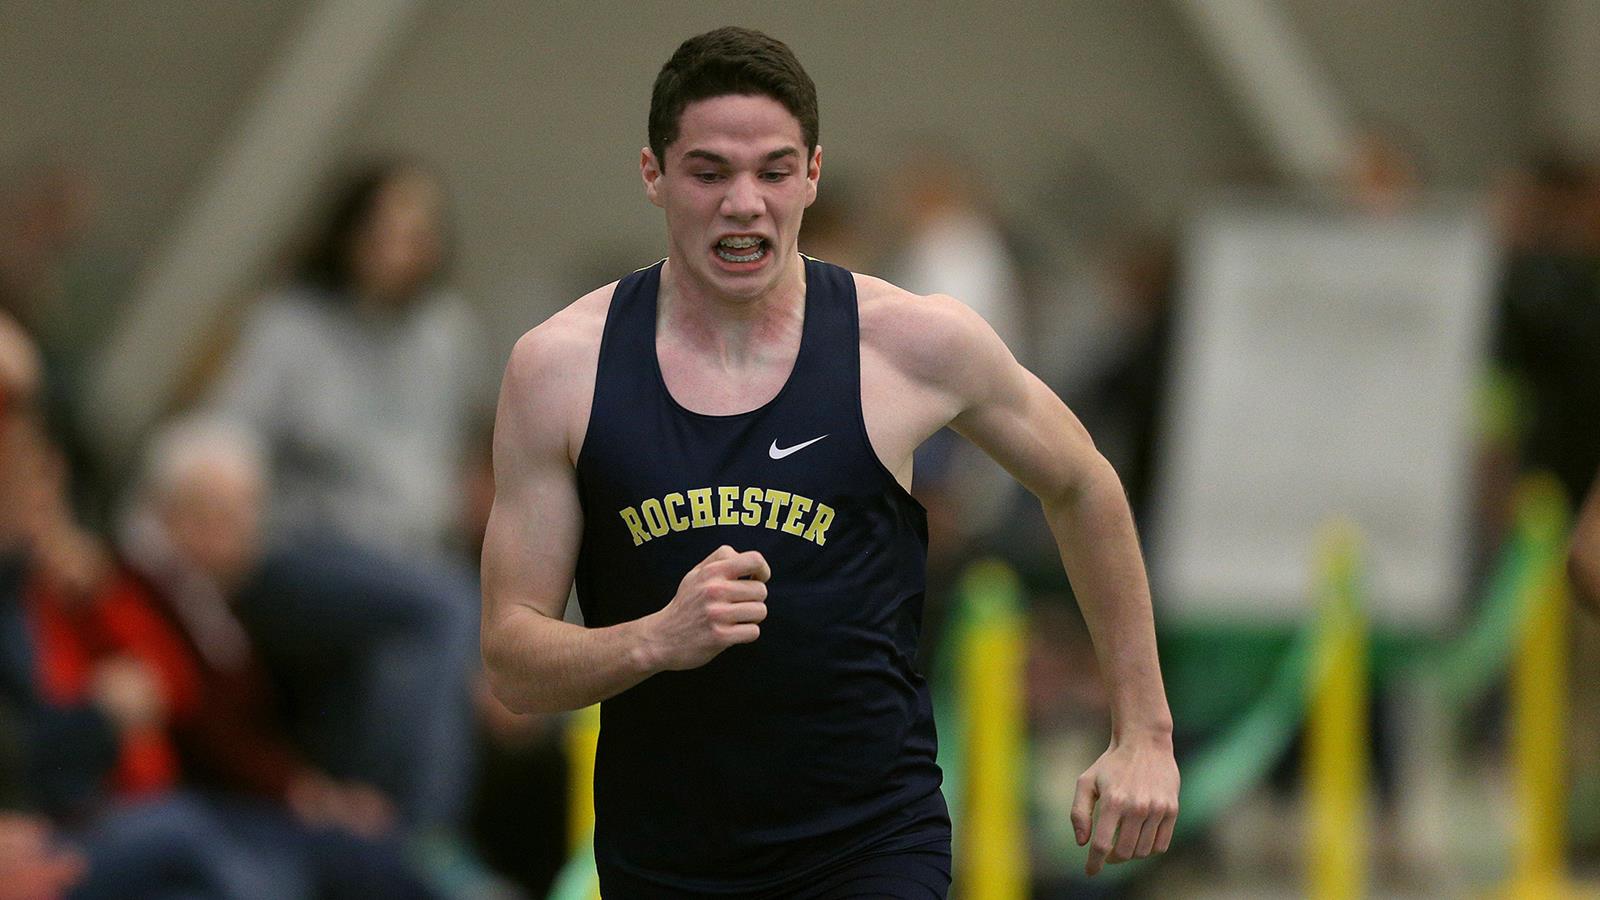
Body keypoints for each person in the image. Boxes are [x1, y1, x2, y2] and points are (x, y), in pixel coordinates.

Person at [480, 27, 1179, 897]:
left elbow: (1083, 483)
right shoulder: (562, 369)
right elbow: (511, 660)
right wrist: (653, 640)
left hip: (871, 846)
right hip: (663, 858)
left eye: (774, 171)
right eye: (709, 172)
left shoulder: (910, 344)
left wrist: (1144, 729)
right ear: (654, 175)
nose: (745, 203)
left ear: (813, 174)